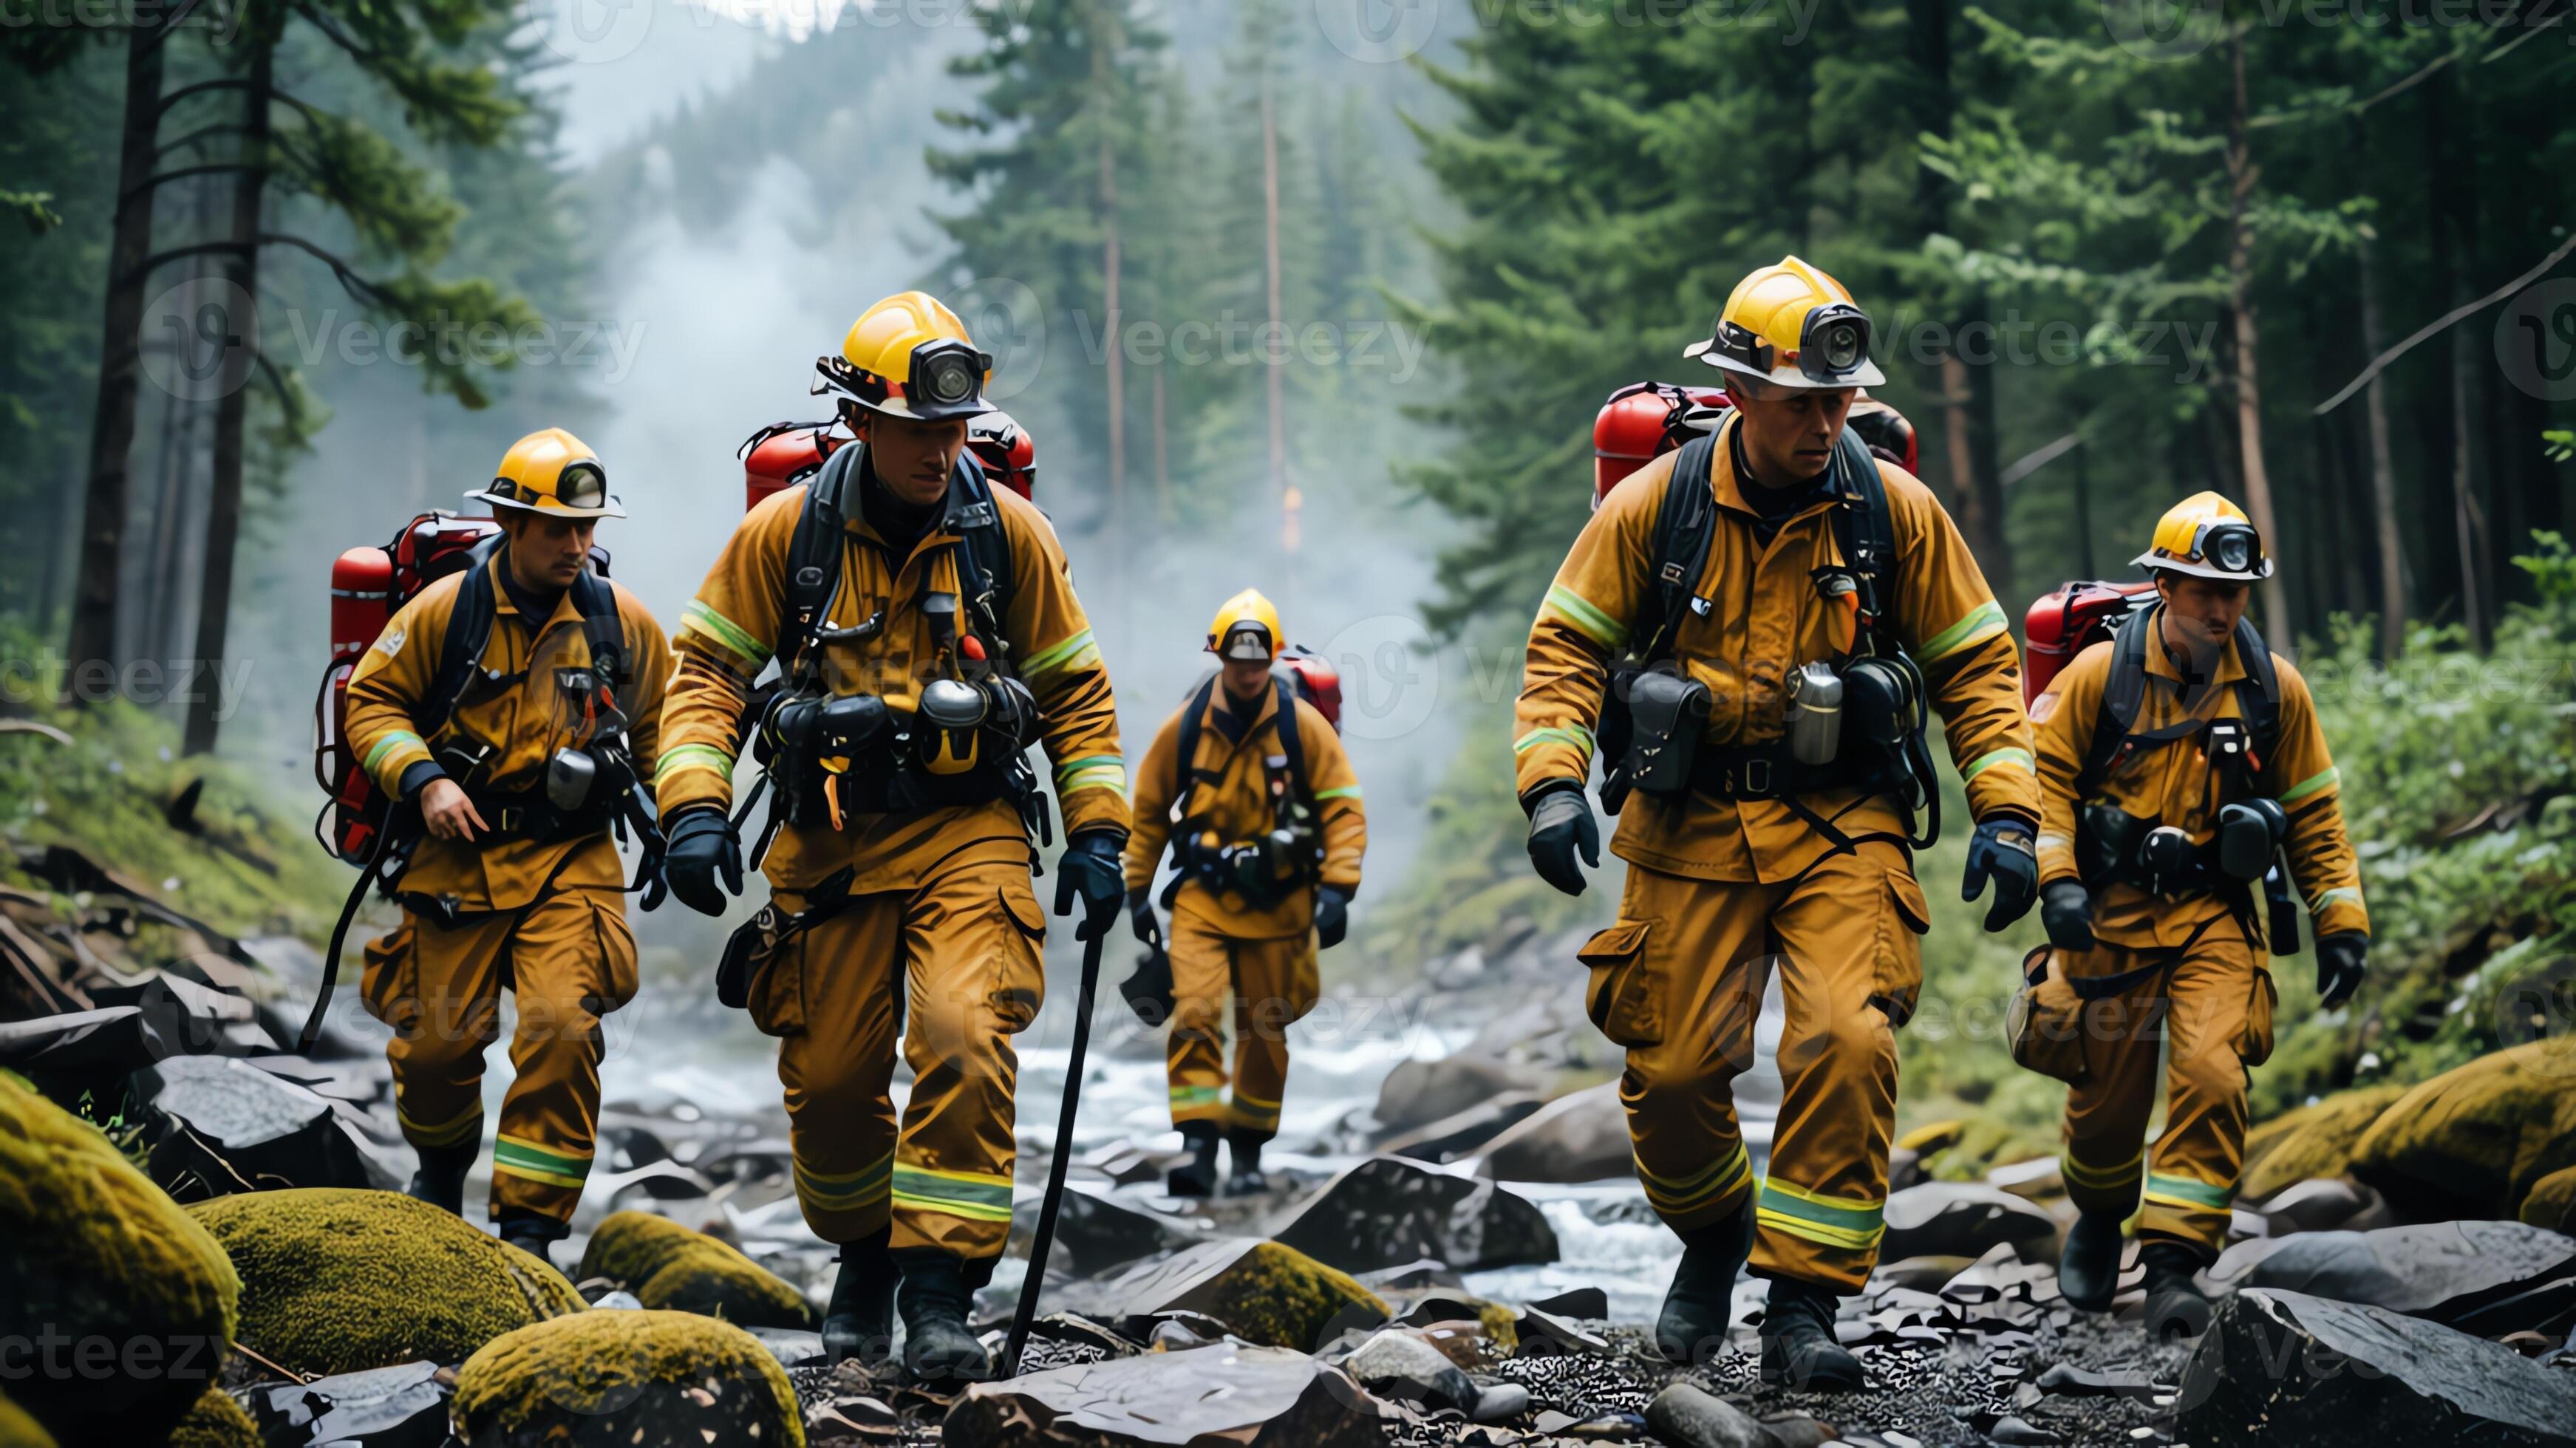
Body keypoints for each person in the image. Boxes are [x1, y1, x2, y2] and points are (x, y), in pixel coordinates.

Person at [1514, 256, 2042, 1388]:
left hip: (1844, 824)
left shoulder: (1892, 510)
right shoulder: (1658, 504)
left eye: (1838, 400)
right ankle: (1714, 1236)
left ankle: (1803, 1303)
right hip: (1687, 823)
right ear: (1742, 392)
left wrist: (2009, 812)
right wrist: (1554, 785)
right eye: (1802, 401)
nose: (1824, 422)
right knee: (1671, 1071)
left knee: (1846, 1041)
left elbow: (1981, 670)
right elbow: (1566, 648)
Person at [654, 291, 1128, 1379]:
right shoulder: (786, 535)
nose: (940, 448)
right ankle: (861, 1254)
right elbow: (706, 681)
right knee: (829, 1083)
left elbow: (1077, 696)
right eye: (918, 426)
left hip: (971, 833)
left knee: (965, 1035)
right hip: (829, 846)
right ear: (860, 419)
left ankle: (938, 1290)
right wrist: (690, 808)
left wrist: (1101, 836)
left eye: (955, 427)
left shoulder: (1009, 535)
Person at [2028, 491, 2367, 1339]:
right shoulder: (2098, 678)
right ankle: (2101, 1216)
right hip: (2109, 917)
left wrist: (2341, 922)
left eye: (2236, 592)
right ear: (2165, 586)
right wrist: (2058, 883)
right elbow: (2041, 789)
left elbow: (2316, 816)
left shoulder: (2271, 688)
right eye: (2203, 590)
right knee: (2105, 1110)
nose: (2221, 608)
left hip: (2214, 916)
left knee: (2214, 1074)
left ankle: (2175, 1263)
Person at [342, 427, 671, 1268]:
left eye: (587, 528)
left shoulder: (620, 623)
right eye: (558, 527)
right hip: (456, 856)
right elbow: (370, 705)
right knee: (439, 1047)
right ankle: (443, 1170)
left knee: (564, 1029)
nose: (576, 544)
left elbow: (673, 728)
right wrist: (424, 781)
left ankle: (530, 1235)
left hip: (573, 860)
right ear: (510, 522)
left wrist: (686, 817)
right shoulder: (443, 613)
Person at [1122, 590, 1366, 1198]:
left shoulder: (1301, 726)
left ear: (1275, 660)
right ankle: (1199, 1146)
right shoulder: (1187, 726)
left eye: (1260, 661)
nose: (1250, 672)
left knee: (1264, 1030)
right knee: (1196, 1015)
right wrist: (1134, 890)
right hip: (1203, 899)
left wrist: (1338, 888)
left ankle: (1249, 1152)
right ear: (1219, 656)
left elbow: (1342, 811)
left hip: (1279, 906)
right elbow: (1149, 810)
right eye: (1239, 660)